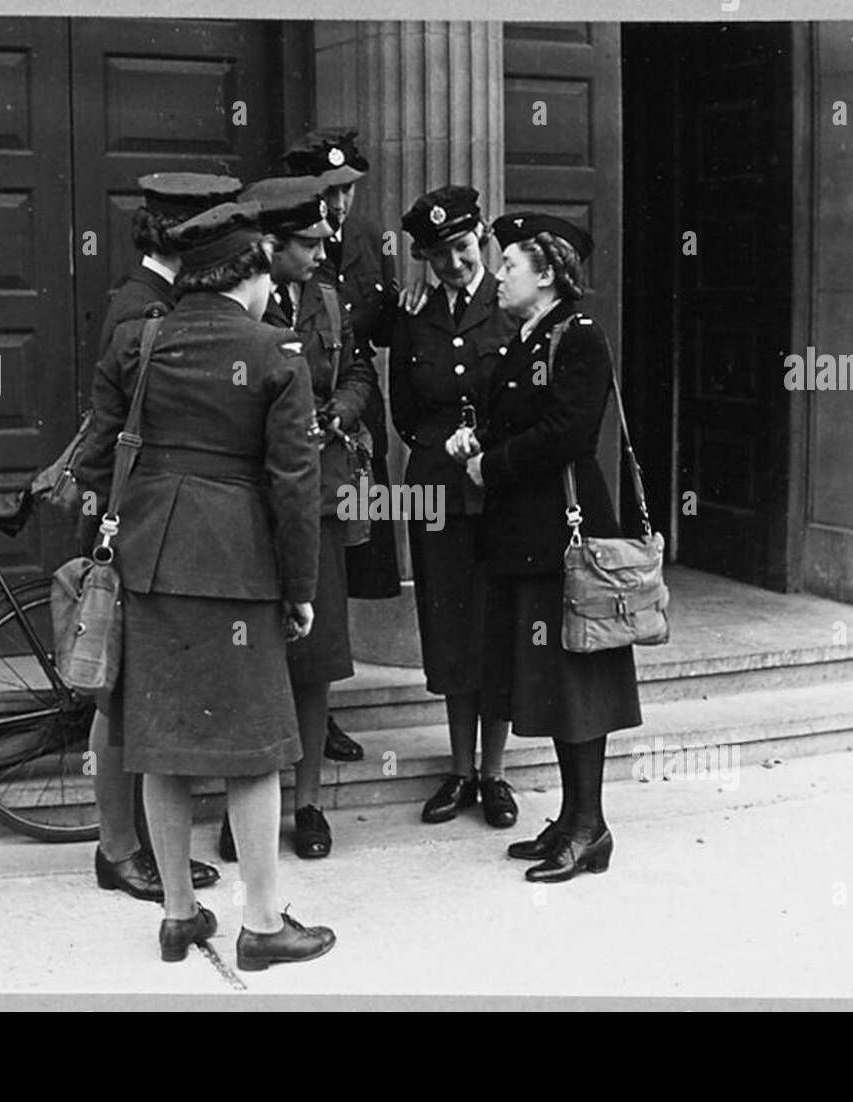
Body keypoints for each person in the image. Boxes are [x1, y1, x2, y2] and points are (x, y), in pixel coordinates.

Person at [87, 200, 335, 969]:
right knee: (253, 748)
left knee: (160, 744)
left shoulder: (140, 341)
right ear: (251, 273)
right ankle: (261, 923)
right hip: (236, 567)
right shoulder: (275, 352)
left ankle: (178, 914)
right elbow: (294, 486)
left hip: (152, 562)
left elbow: (99, 450)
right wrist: (301, 588)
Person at [449, 212, 642, 883]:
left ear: (550, 273)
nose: (497, 274)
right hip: (530, 536)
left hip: (567, 535)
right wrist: (477, 443)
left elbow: (568, 433)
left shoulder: (579, 335)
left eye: (510, 265)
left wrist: (490, 466)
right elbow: (517, 419)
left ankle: (589, 827)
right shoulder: (529, 337)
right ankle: (572, 820)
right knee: (558, 684)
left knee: (577, 681)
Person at [83, 173, 239, 901]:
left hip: (144, 517)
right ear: (185, 236)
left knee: (132, 689)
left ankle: (138, 844)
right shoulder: (139, 309)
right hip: (133, 520)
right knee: (118, 694)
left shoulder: (153, 300)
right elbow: (118, 428)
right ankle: (119, 850)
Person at [219, 175, 377, 862]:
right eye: (308, 242)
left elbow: (362, 375)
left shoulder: (332, 302)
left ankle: (307, 802)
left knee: (312, 663)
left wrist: (337, 413)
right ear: (272, 245)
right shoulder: (236, 307)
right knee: (251, 660)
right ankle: (245, 804)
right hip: (251, 503)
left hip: (316, 499)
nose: (322, 250)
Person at [392, 185, 519, 828]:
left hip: (499, 489)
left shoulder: (511, 304)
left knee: (495, 625)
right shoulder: (416, 315)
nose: (455, 265)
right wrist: (439, 445)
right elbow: (404, 412)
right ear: (424, 260)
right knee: (448, 626)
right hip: (437, 490)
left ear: (484, 241)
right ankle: (459, 769)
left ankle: (494, 773)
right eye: (439, 257)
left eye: (464, 249)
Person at [283, 128, 401, 765]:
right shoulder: (282, 240)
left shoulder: (365, 241)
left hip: (347, 435)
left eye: (349, 190)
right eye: (330, 192)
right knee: (306, 577)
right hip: (297, 440)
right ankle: (303, 721)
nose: (341, 205)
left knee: (341, 573)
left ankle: (322, 713)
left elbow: (373, 336)